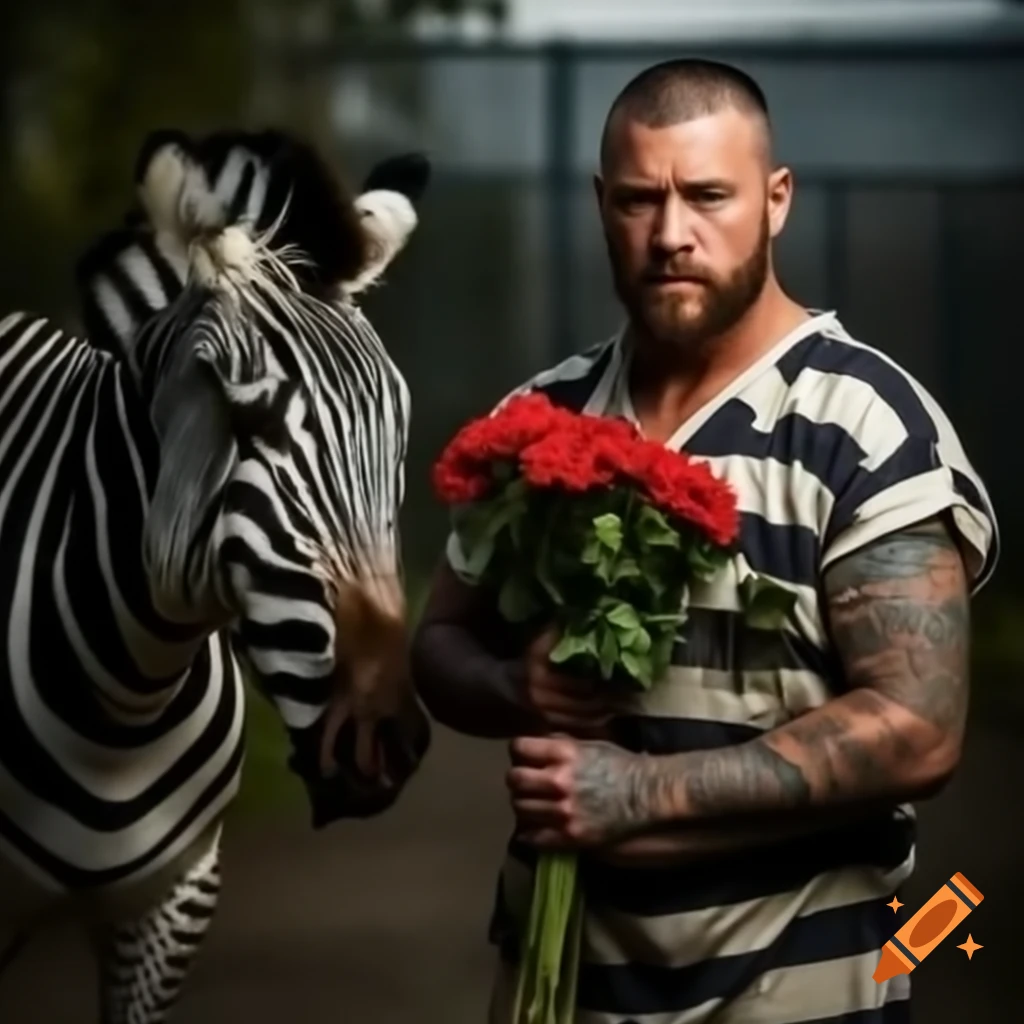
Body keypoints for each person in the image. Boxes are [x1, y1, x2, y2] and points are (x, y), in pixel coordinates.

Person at [410, 57, 998, 1024]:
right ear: (603, 205)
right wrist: (515, 689)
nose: (671, 234)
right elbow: (439, 646)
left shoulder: (864, 424)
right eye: (640, 199)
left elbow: (920, 729)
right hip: (564, 980)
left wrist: (645, 793)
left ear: (776, 202)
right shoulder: (539, 419)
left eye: (709, 196)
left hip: (805, 983)